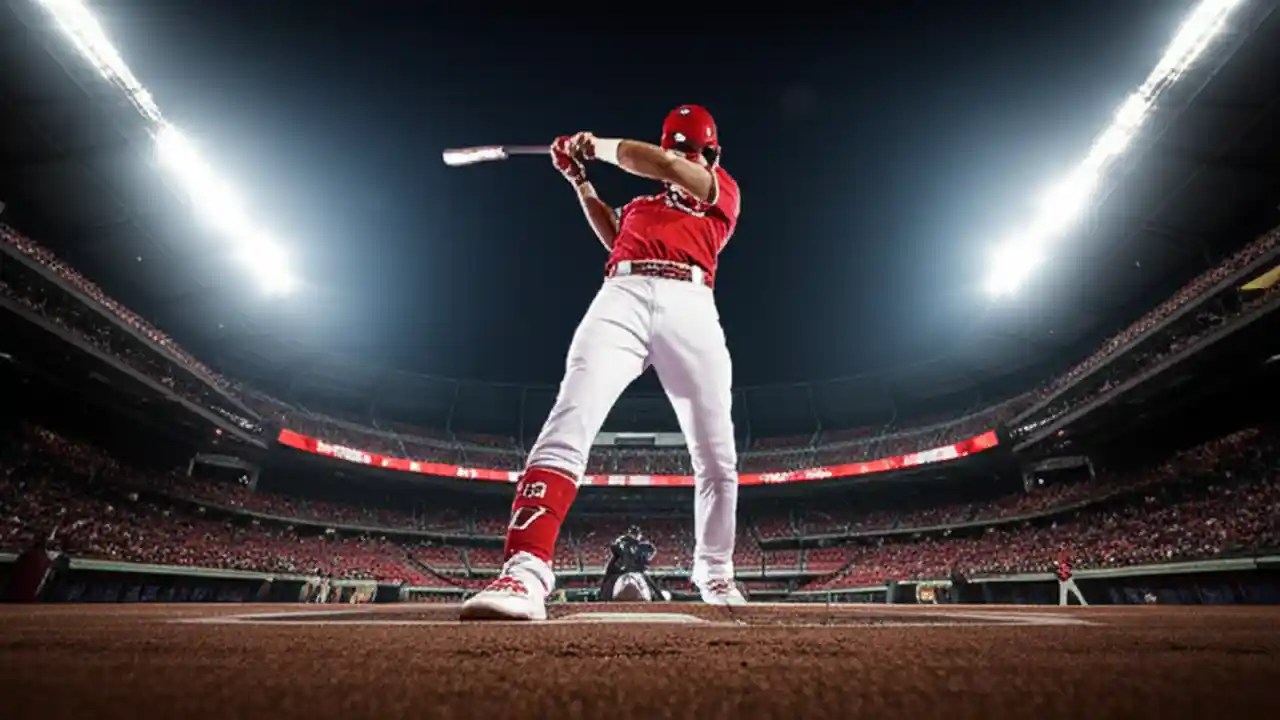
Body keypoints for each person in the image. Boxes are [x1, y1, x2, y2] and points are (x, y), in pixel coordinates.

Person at [460, 105, 744, 621]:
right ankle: (525, 570)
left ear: (709, 153)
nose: (683, 156)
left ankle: (715, 570)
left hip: (692, 300)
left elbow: (658, 164)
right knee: (570, 417)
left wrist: (597, 145)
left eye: (690, 149)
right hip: (623, 292)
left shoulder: (719, 187)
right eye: (678, 147)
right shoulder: (641, 205)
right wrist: (579, 181)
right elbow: (615, 237)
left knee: (716, 454)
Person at [599, 526, 667, 602]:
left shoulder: (638, 545)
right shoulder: (625, 543)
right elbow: (615, 549)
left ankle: (660, 597)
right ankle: (603, 595)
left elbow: (651, 551)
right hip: (624, 570)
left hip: (629, 570)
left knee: (648, 579)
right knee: (609, 576)